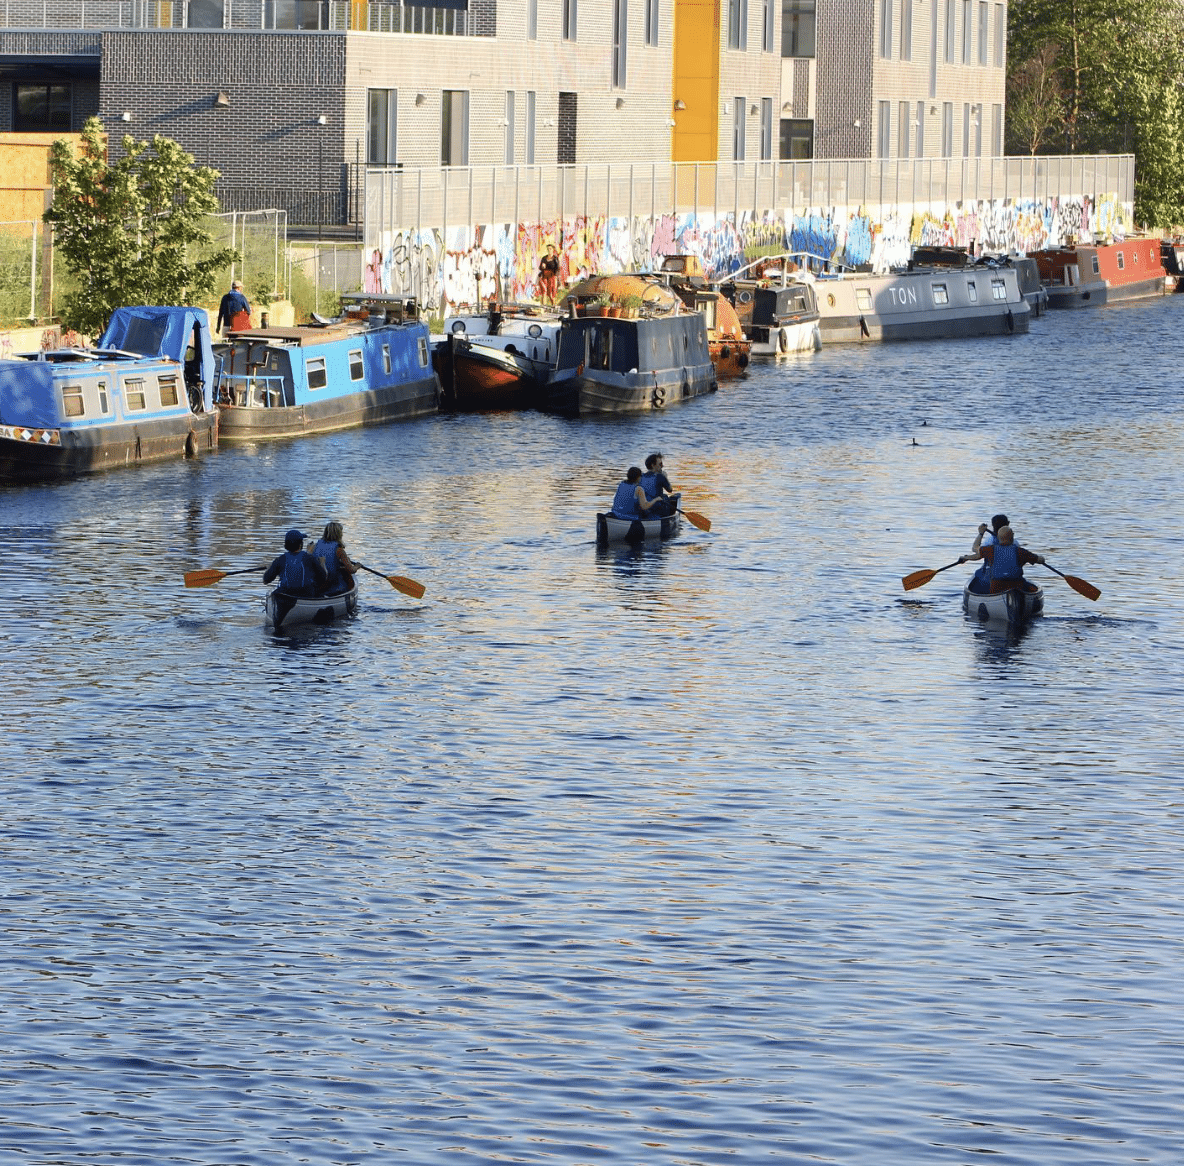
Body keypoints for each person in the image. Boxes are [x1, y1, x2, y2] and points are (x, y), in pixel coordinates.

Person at [960, 525, 1045, 593]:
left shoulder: (990, 550)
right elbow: (1039, 560)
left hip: (996, 588)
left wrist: (965, 558)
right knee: (1033, 588)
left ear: (998, 538)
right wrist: (1041, 559)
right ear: (1012, 537)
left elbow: (976, 551)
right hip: (1017, 587)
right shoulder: (1021, 552)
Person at [263, 529, 327, 597]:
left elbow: (265, 581)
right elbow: (323, 578)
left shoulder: (279, 560)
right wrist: (322, 563)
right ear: (300, 545)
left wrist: (270, 568)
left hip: (285, 597)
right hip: (307, 596)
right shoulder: (310, 558)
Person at [312, 521, 359, 596]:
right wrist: (357, 566)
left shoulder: (315, 546)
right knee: (346, 574)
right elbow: (351, 570)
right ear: (339, 534)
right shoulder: (339, 550)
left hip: (318, 583)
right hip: (332, 585)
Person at [968, 512, 1008, 593]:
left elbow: (976, 550)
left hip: (991, 576)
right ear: (1008, 524)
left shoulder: (990, 541)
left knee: (979, 576)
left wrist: (981, 533)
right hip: (1009, 575)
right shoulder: (1014, 542)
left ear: (993, 526)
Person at [639, 452, 677, 518]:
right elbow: (670, 490)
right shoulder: (660, 476)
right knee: (672, 498)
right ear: (653, 465)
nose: (662, 466)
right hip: (657, 509)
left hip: (643, 509)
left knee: (664, 496)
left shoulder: (641, 476)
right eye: (660, 464)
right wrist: (665, 477)